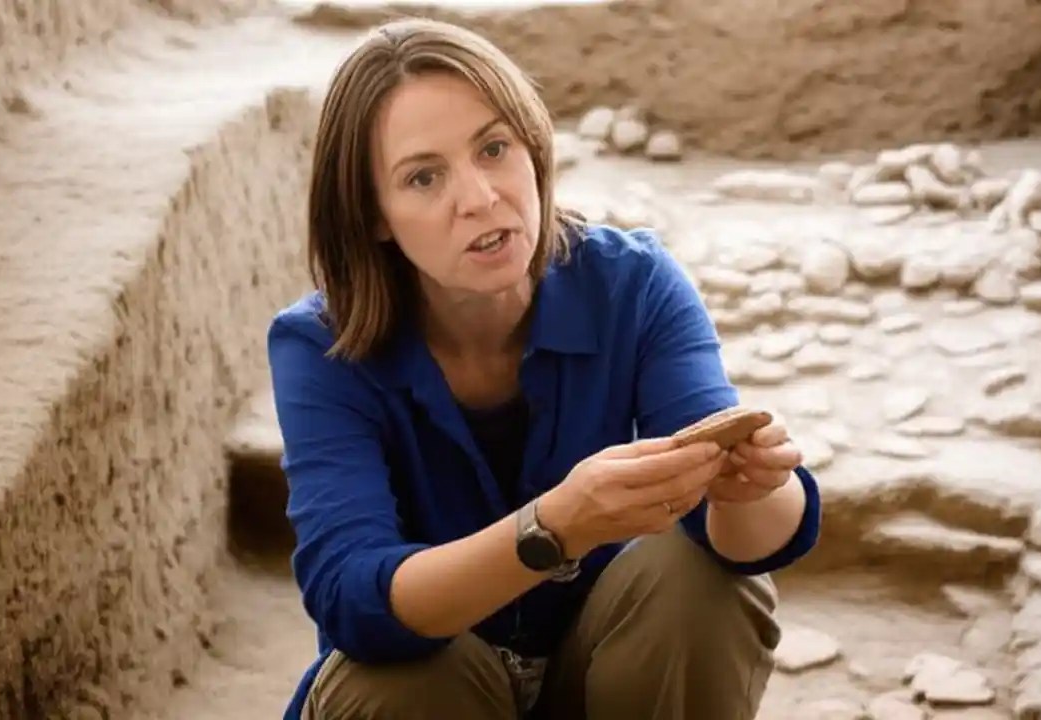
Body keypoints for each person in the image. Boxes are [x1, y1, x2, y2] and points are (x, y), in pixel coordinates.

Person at [266, 16, 823, 720]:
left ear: (532, 147)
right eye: (423, 177)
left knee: (703, 581)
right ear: (375, 215)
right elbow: (350, 596)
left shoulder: (633, 284)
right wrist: (553, 528)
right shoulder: (321, 346)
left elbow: (749, 545)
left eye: (494, 148)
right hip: (441, 691)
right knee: (394, 677)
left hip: (607, 676)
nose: (478, 196)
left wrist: (753, 488)